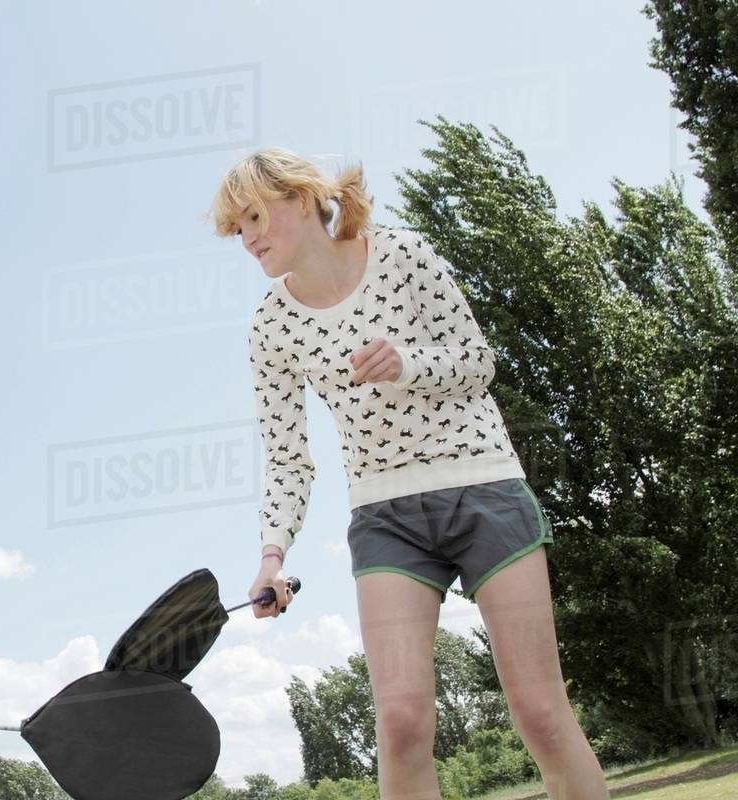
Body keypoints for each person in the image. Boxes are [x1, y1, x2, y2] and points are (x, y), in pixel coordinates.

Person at [212, 149, 609, 799]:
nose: (249, 237)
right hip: (387, 518)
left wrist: (408, 363)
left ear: (303, 200)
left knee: (540, 711)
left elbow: (477, 363)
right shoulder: (268, 327)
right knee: (399, 723)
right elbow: (287, 456)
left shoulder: (401, 255)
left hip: (484, 486)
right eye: (238, 228)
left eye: (256, 215)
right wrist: (271, 556)